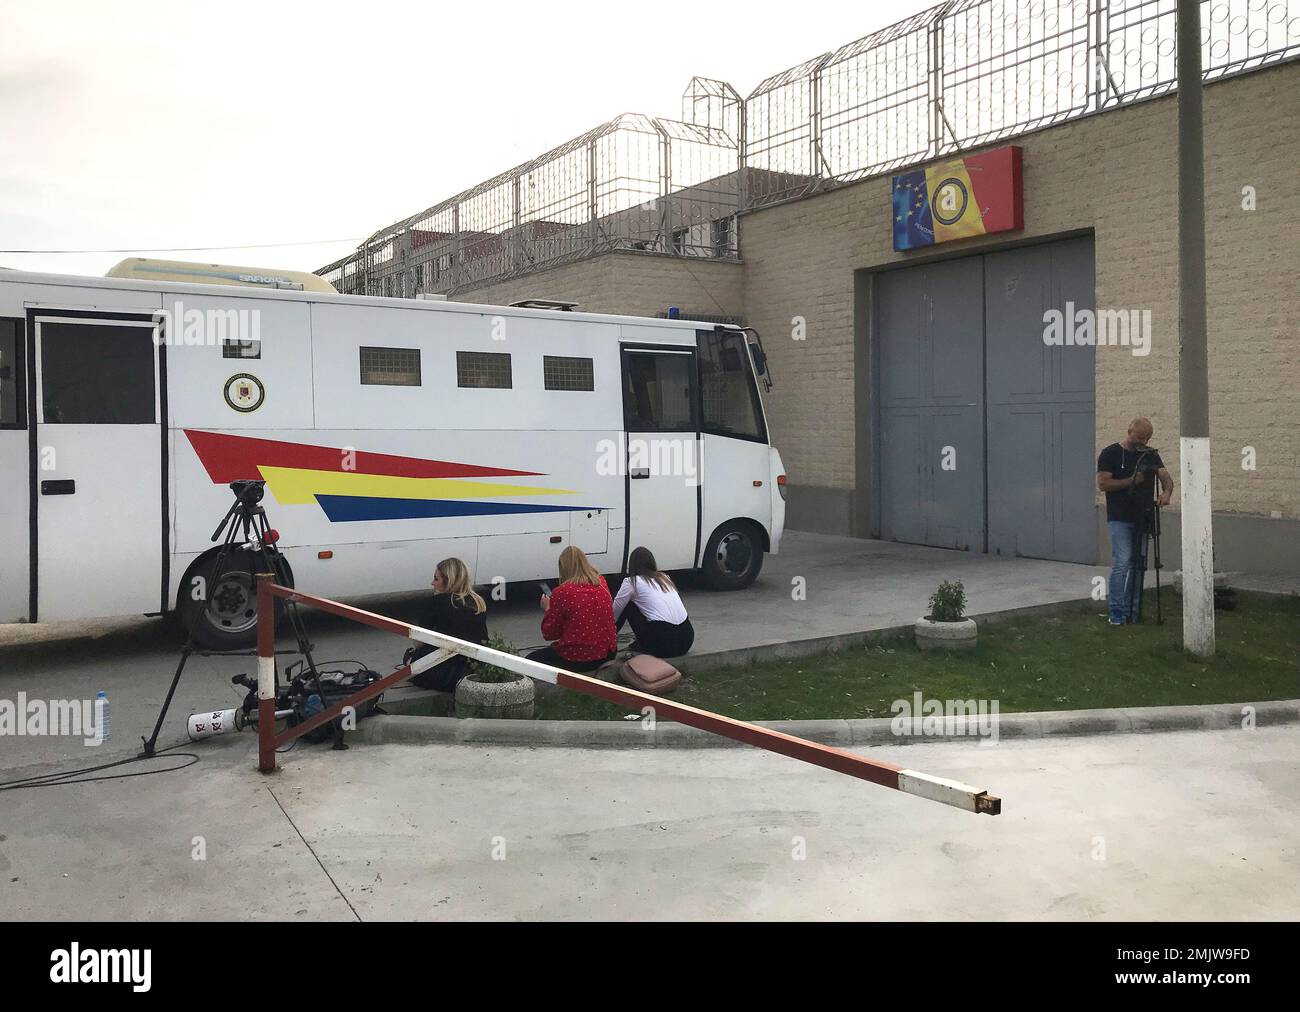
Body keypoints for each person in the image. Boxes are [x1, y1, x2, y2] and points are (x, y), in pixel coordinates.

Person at [1096, 417, 1174, 626]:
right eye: (1140, 437)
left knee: (1139, 565)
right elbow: (1103, 483)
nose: (1144, 442)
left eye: (1147, 438)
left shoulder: (1150, 455)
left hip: (1143, 515)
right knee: (1123, 562)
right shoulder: (1111, 453)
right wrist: (1132, 481)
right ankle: (1117, 612)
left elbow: (1165, 476)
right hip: (1120, 517)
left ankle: (1134, 611)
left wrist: (1166, 492)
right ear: (1129, 431)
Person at [526, 546, 617, 672]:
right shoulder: (601, 582)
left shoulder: (562, 592)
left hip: (579, 657)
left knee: (530, 659)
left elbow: (550, 633)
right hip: (608, 652)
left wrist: (548, 608)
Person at [405, 557, 488, 691]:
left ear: (448, 581)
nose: (432, 583)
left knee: (413, 658)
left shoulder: (435, 603)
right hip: (472, 669)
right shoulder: (478, 603)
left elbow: (419, 642)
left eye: (436, 579)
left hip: (445, 673)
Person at [612, 546, 694, 658]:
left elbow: (615, 612)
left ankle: (609, 641)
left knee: (628, 605)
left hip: (662, 643)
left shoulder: (632, 582)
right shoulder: (665, 578)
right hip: (686, 639)